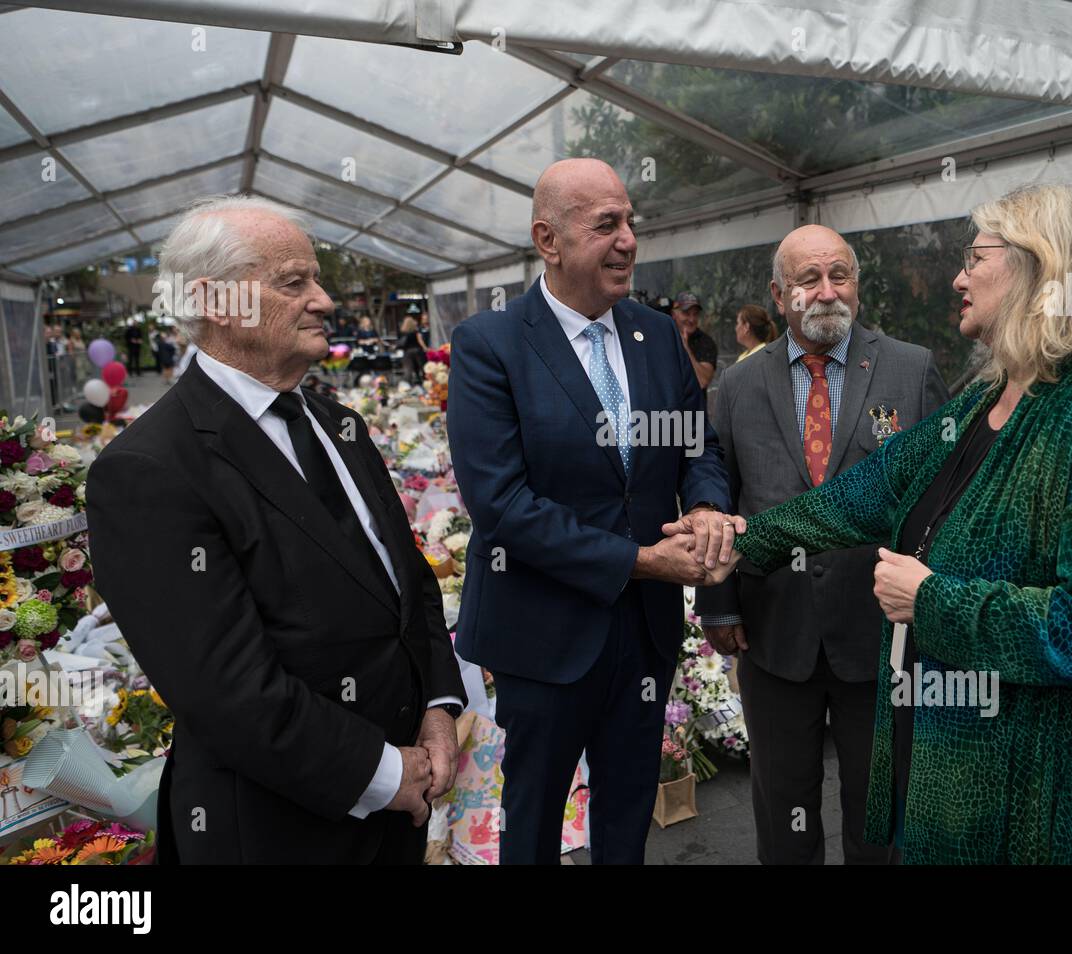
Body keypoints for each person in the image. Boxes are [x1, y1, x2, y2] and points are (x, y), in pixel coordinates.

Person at [679, 183, 1072, 865]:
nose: (958, 276)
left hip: (1070, 799)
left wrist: (933, 601)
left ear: (1036, 268)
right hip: (984, 770)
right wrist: (736, 540)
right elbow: (858, 495)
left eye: (976, 257)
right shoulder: (991, 399)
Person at [86, 194, 467, 864]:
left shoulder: (337, 424)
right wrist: (385, 774)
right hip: (275, 832)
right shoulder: (147, 469)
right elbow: (226, 690)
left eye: (317, 279)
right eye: (294, 282)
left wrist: (438, 704)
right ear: (213, 301)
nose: (323, 300)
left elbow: (408, 580)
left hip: (397, 815)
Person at [447, 158, 737, 865]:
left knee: (628, 808)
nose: (629, 240)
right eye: (607, 224)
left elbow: (697, 443)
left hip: (643, 633)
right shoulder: (490, 345)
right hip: (543, 633)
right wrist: (641, 562)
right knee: (535, 815)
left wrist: (704, 506)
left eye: (632, 221)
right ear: (548, 239)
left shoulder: (656, 333)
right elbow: (503, 505)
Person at [695, 225, 948, 865]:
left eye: (840, 275)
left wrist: (937, 606)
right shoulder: (738, 386)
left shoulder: (910, 368)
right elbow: (717, 499)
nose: (827, 291)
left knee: (879, 818)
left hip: (881, 637)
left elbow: (946, 499)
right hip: (773, 633)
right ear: (780, 296)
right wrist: (718, 604)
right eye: (810, 279)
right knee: (784, 817)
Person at [671, 292, 717, 390]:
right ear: (674, 314)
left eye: (695, 314)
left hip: (694, 404)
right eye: (686, 313)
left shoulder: (705, 342)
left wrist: (685, 347)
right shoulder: (665, 337)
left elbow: (702, 381)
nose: (691, 319)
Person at [398, 315, 428, 386]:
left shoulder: (402, 332)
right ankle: (424, 382)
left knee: (408, 369)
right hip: (417, 351)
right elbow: (419, 340)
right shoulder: (415, 331)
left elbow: (400, 342)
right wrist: (425, 348)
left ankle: (408, 384)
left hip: (407, 352)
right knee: (422, 367)